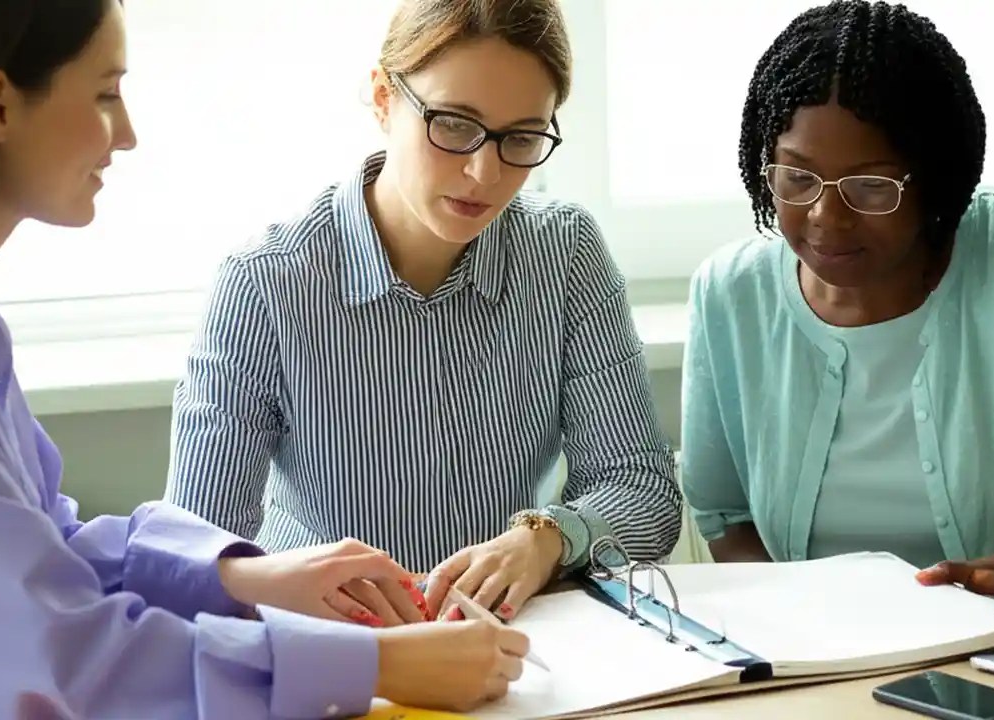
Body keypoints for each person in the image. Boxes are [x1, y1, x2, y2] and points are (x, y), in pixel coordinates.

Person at [0, 1, 528, 718]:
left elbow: (50, 546)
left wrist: (248, 575)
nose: (128, 134)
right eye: (107, 93)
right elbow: (64, 657)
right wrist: (383, 665)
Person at [165, 0, 681, 623]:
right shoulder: (267, 281)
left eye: (520, 137)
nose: (483, 171)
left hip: (516, 643)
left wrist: (546, 538)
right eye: (454, 124)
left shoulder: (565, 254)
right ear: (384, 98)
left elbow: (646, 491)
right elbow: (196, 553)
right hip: (337, 650)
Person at [679, 0, 994, 567]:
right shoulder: (730, 295)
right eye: (797, 177)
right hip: (818, 652)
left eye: (872, 186)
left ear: (935, 177)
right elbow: (727, 518)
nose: (826, 217)